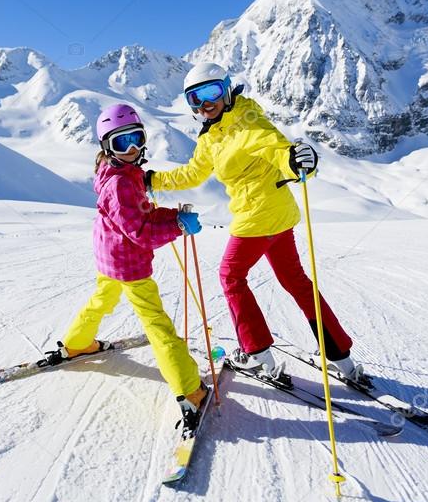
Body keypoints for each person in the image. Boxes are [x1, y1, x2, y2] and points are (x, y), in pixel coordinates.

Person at [145, 62, 363, 386]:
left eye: (212, 93)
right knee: (296, 281)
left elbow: (275, 148)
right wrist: (154, 180)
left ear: (228, 89)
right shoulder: (212, 137)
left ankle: (258, 355)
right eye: (196, 98)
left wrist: (296, 162)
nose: (205, 104)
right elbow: (193, 172)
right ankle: (341, 358)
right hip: (278, 217)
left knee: (231, 276)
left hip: (257, 218)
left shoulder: (247, 121)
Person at [48, 104, 211, 432]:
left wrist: (170, 215)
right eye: (123, 143)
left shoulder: (119, 174)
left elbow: (142, 213)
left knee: (102, 300)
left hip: (108, 257)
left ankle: (78, 343)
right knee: (157, 324)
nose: (133, 149)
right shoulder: (121, 183)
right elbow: (141, 232)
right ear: (107, 147)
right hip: (129, 264)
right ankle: (189, 389)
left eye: (136, 139)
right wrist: (177, 226)